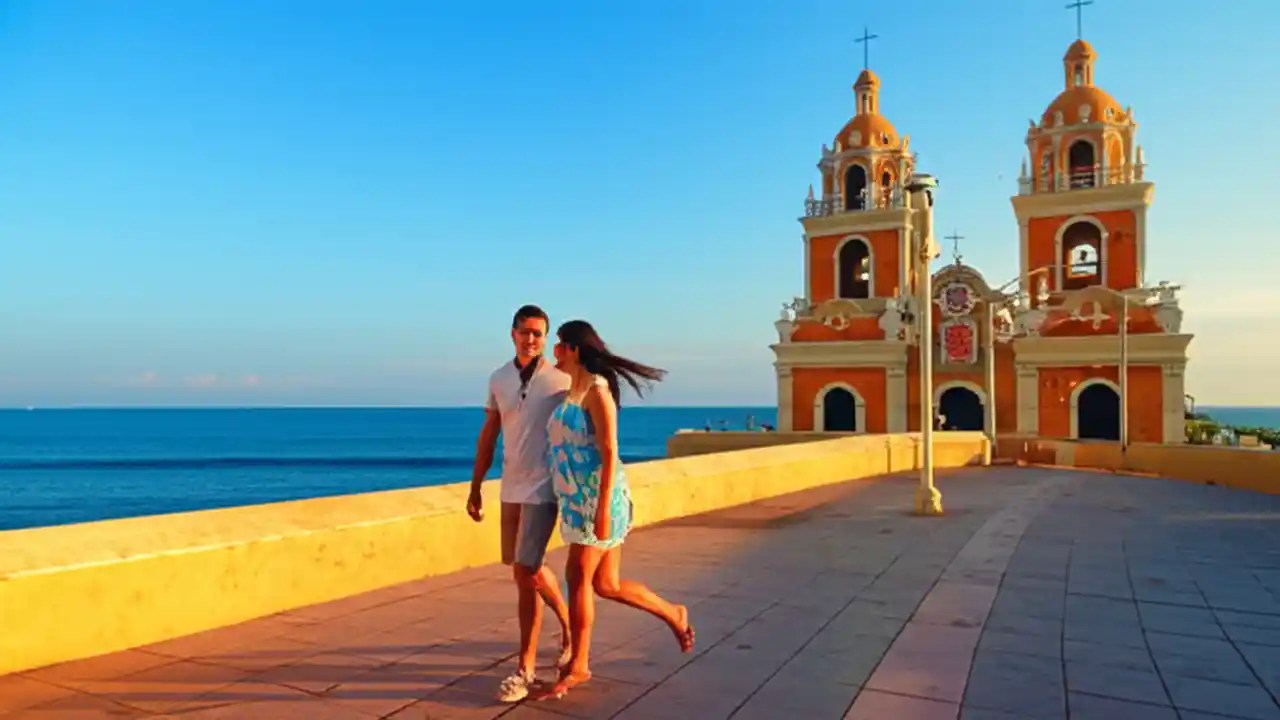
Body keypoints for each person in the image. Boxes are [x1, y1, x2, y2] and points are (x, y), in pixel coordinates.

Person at [539, 320, 695, 700]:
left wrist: (603, 509)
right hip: (577, 501)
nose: (554, 352)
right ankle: (674, 612)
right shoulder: (571, 390)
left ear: (574, 349)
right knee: (605, 584)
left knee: (578, 580)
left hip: (598, 500)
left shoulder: (597, 390)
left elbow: (609, 450)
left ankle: (580, 664)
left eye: (558, 346)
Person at [467, 305, 573, 702]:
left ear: (546, 339)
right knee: (522, 570)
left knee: (527, 571)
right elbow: (489, 433)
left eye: (539, 334)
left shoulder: (562, 380)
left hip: (546, 488)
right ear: (512, 333)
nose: (532, 339)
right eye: (526, 332)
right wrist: (476, 485)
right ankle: (568, 627)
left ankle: (524, 668)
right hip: (510, 486)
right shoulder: (498, 379)